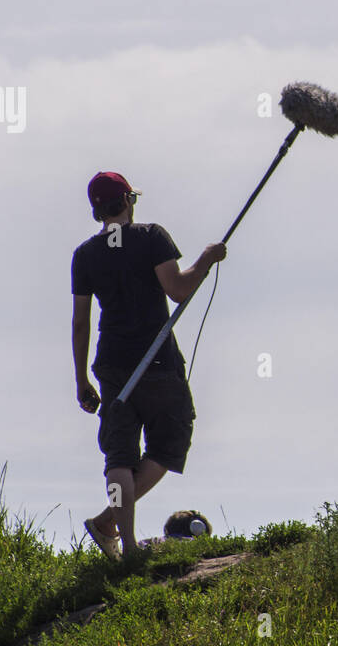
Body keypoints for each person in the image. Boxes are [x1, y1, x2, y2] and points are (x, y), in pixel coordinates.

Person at [70, 171, 226, 559]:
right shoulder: (151, 236)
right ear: (128, 201)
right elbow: (178, 289)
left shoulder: (85, 255)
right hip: (155, 359)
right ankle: (110, 526)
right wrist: (207, 258)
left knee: (119, 453)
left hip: (111, 365)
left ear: (96, 211)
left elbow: (80, 322)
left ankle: (125, 542)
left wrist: (81, 379)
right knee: (170, 440)